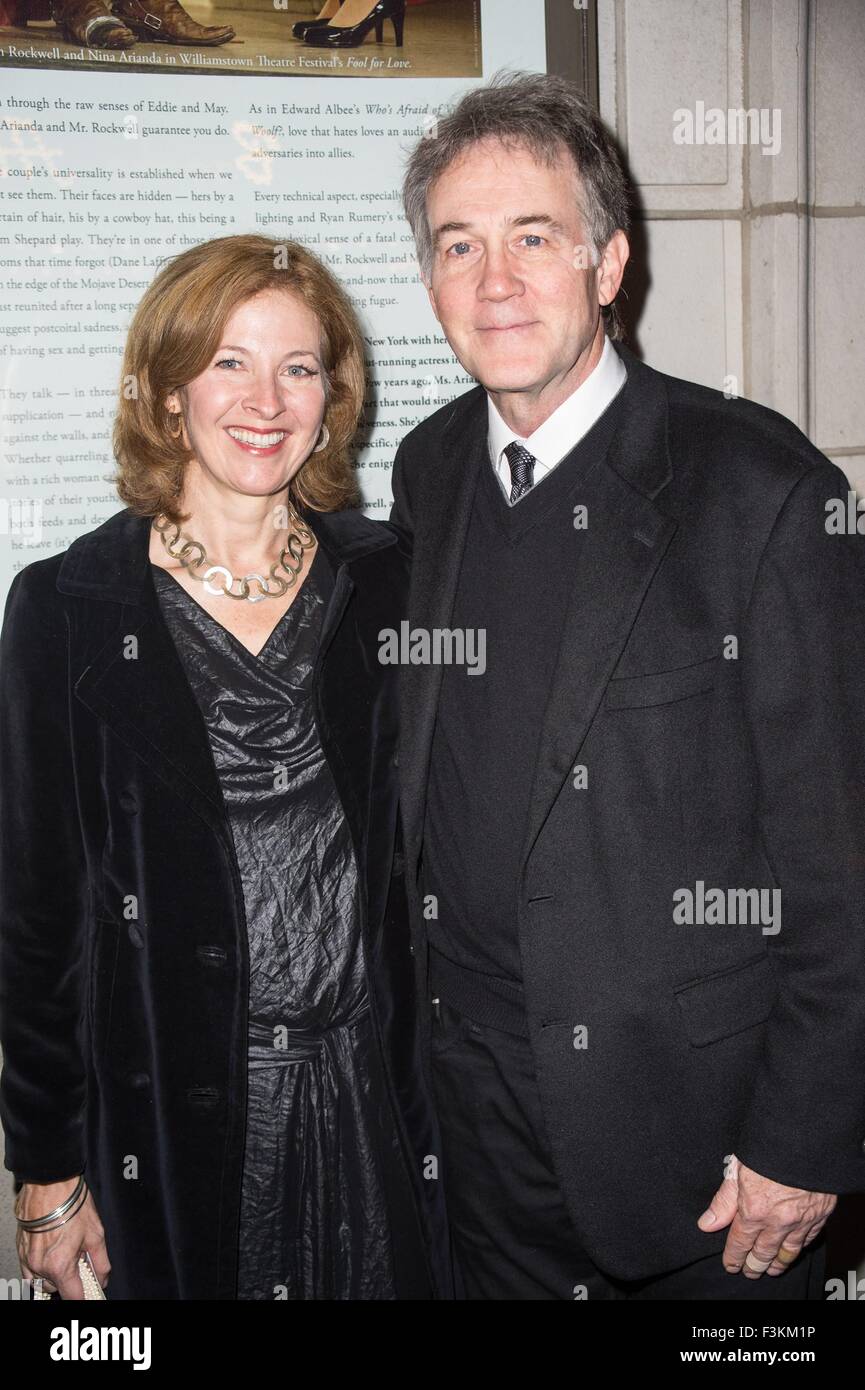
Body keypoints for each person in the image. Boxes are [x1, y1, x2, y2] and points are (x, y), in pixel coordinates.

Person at [389, 70, 865, 1300]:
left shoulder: (762, 493)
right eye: (459, 244)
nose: (494, 281)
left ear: (608, 264)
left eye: (532, 238)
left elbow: (843, 860)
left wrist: (803, 1141)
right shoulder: (430, 466)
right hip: (474, 1132)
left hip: (704, 1168)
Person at [0, 233, 451, 1301]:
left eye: (299, 367)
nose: (266, 399)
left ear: (331, 398)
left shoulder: (393, 583)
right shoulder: (64, 610)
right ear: (166, 395)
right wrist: (47, 1173)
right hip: (171, 1126)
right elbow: (34, 922)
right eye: (228, 363)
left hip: (376, 1107)